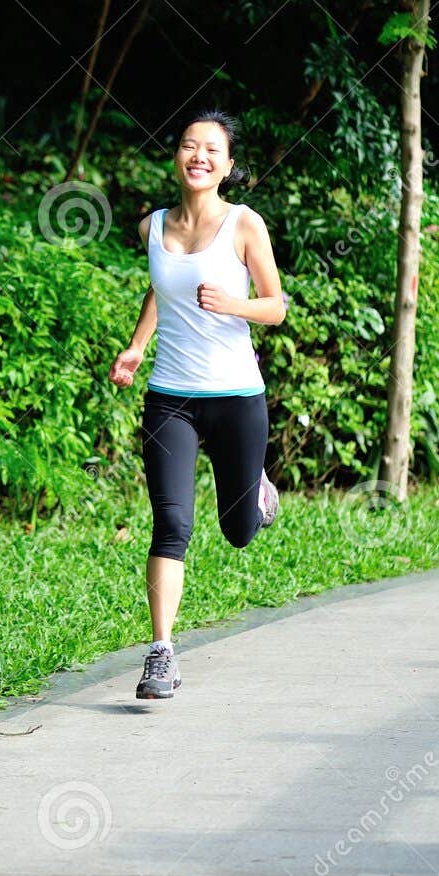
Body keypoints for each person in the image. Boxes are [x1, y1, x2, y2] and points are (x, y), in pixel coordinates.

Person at [108, 108, 287, 700]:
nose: (199, 156)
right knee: (171, 524)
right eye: (189, 145)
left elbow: (276, 306)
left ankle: (255, 489)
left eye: (212, 149)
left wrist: (233, 305)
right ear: (177, 156)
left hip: (237, 397)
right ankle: (160, 653)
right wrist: (137, 346)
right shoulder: (152, 227)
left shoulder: (244, 224)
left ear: (228, 166)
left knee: (238, 532)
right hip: (171, 399)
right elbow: (162, 287)